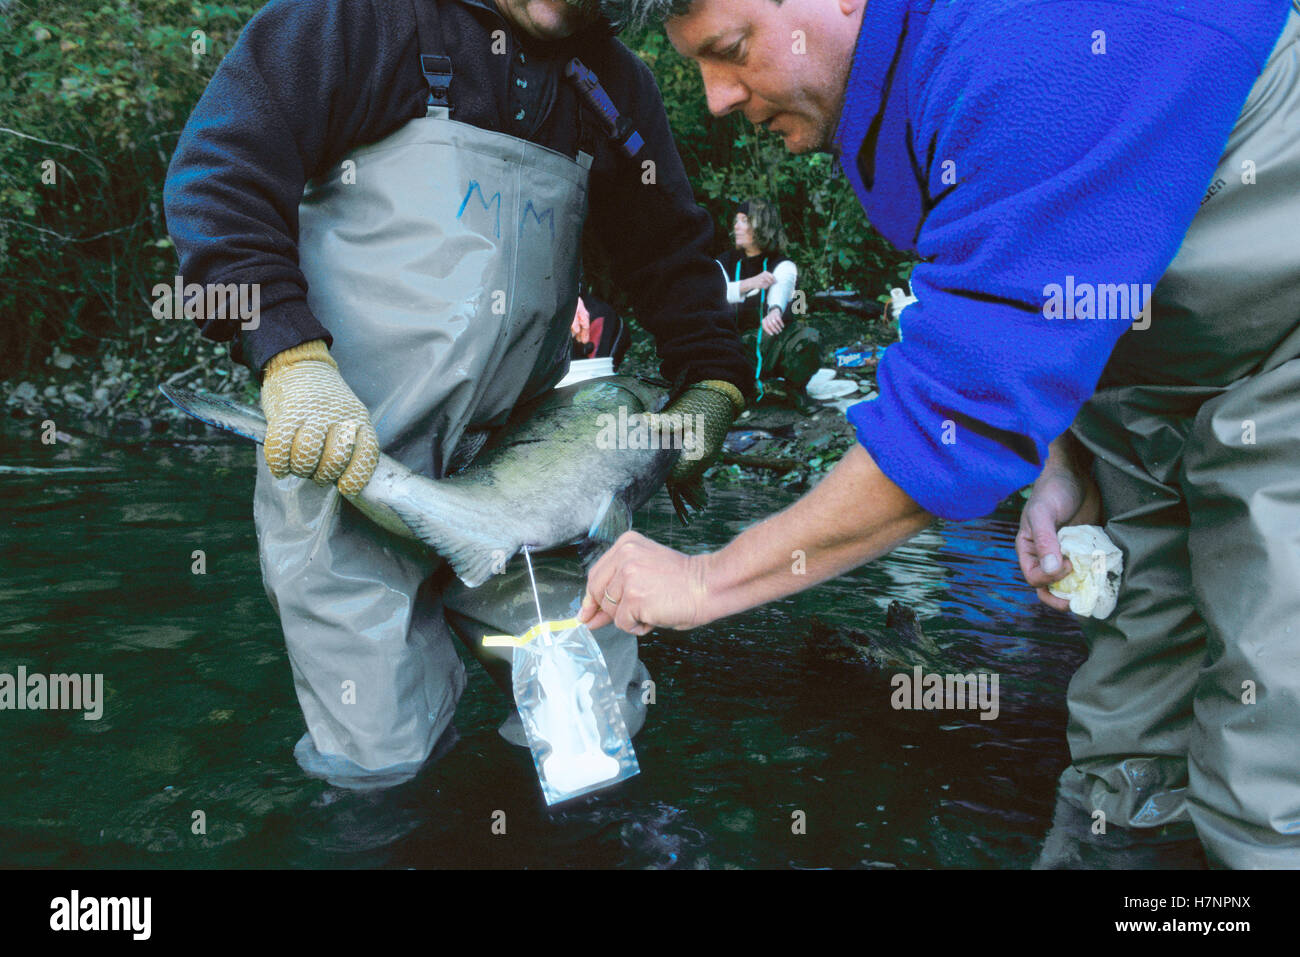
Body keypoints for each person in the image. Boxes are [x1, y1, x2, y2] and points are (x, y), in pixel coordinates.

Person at [585, 0, 1300, 868]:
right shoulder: (903, 92)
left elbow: (953, 419)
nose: (717, 99)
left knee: (1268, 763)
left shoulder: (1018, 45)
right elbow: (1032, 291)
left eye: (731, 52)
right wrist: (1061, 453)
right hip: (1160, 381)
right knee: (1128, 739)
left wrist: (705, 580)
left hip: (1279, 347)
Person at [163, 0, 750, 790]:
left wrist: (713, 379)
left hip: (529, 474)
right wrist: (288, 357)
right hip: (345, 463)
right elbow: (219, 175)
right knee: (380, 771)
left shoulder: (614, 85)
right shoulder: (351, 20)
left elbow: (671, 251)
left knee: (596, 733)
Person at [716, 200, 821, 413]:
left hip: (769, 343)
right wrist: (749, 284)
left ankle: (794, 389)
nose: (736, 226)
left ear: (761, 226)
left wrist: (774, 311)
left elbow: (782, 286)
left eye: (744, 221)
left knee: (807, 337)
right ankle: (743, 390)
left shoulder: (783, 264)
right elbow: (713, 295)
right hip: (733, 347)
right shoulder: (725, 261)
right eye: (736, 221)